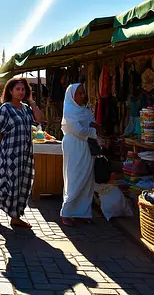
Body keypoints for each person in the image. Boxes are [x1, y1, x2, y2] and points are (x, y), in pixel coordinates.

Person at [0, 77, 44, 228]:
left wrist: (32, 102)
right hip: (9, 154)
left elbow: (41, 120)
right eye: (18, 89)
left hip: (25, 154)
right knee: (11, 184)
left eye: (23, 89)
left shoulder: (26, 108)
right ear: (10, 91)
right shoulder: (5, 108)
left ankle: (15, 217)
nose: (21, 92)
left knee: (23, 185)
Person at [59, 83, 98, 226]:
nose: (82, 96)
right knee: (74, 177)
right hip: (74, 145)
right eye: (79, 93)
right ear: (72, 95)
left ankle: (82, 212)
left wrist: (93, 128)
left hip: (86, 146)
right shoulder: (69, 110)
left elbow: (91, 123)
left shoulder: (84, 110)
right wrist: (94, 132)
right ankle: (67, 212)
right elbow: (79, 131)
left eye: (83, 93)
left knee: (87, 178)